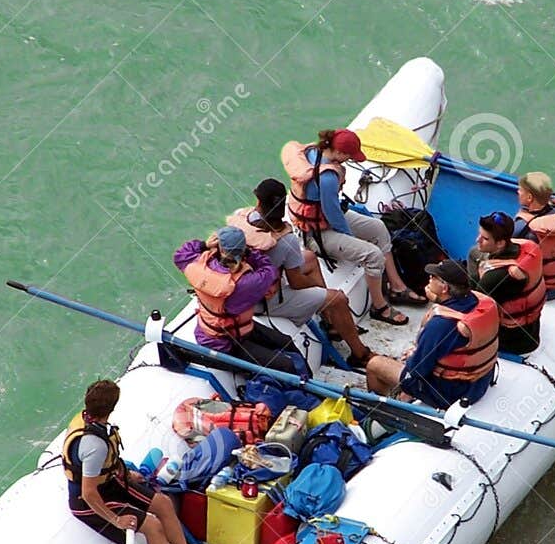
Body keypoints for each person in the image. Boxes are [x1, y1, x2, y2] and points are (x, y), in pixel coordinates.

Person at [63, 380, 221, 544]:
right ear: (112, 407)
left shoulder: (88, 420)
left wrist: (124, 472)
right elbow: (88, 493)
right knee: (152, 525)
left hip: (110, 481)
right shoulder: (94, 444)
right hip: (88, 500)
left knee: (163, 504)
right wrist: (115, 520)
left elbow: (104, 465)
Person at [280, 128, 423, 326]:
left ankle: (396, 286)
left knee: (379, 228)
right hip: (317, 234)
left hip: (323, 219)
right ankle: (379, 307)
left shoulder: (313, 152)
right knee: (373, 255)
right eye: (349, 156)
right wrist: (350, 238)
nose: (349, 160)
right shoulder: (327, 177)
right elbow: (332, 214)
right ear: (339, 153)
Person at [228, 179, 373, 370]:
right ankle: (359, 354)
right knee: (337, 299)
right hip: (263, 302)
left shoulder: (243, 220)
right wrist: (324, 294)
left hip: (241, 291)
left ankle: (331, 322)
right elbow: (296, 282)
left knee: (310, 257)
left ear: (258, 202)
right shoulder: (286, 239)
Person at [365, 260, 499, 410]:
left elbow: (416, 370)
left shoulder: (441, 324)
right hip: (481, 381)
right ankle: (406, 394)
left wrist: (410, 358)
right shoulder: (482, 301)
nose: (429, 278)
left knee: (375, 364)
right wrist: (436, 300)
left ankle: (383, 413)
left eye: (433, 277)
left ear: (444, 287)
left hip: (451, 394)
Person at [174, 224, 307, 374]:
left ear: (220, 248)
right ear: (242, 250)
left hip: (215, 331)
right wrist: (250, 253)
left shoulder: (197, 264)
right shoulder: (244, 284)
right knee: (286, 365)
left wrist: (204, 245)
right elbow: (269, 271)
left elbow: (181, 254)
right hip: (225, 343)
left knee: (285, 341)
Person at [469, 211, 545, 355]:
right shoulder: (525, 247)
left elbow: (474, 316)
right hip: (532, 330)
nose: (477, 239)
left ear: (500, 243)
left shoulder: (493, 278)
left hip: (511, 341)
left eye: (484, 238)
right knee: (473, 252)